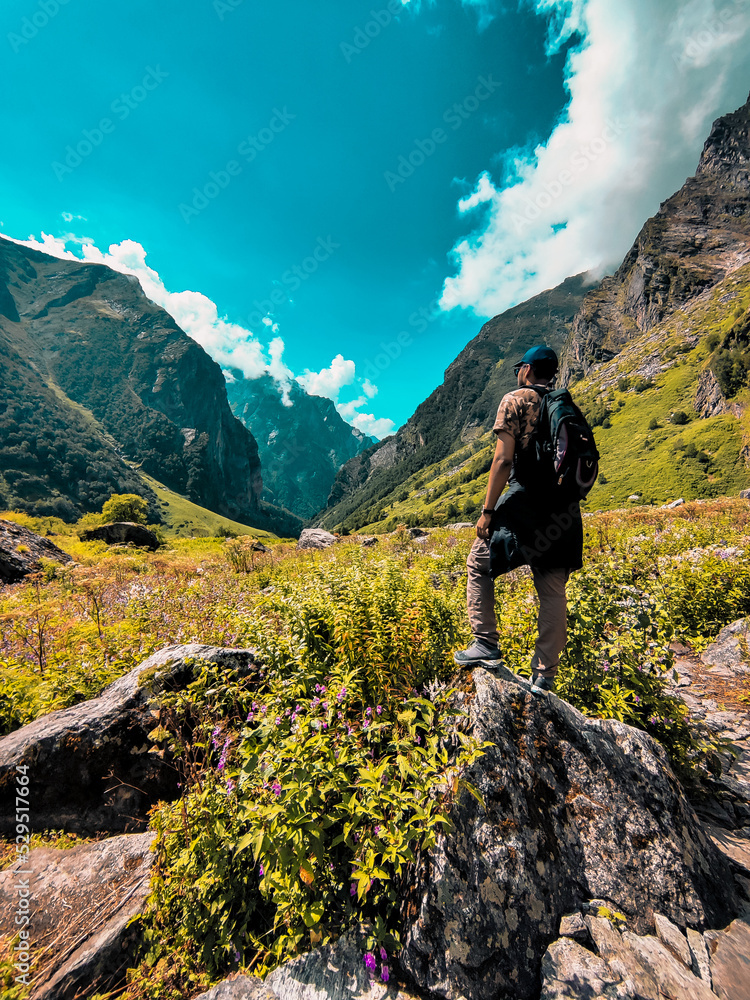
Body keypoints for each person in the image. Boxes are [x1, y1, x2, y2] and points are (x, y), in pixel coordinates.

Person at [453, 345, 584, 695]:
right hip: (565, 509)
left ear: (526, 369)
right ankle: (544, 676)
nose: (516, 374)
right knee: (553, 591)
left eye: (518, 368)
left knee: (479, 562)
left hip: (526, 501)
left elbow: (502, 461)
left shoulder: (516, 399)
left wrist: (487, 511)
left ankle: (486, 644)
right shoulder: (565, 405)